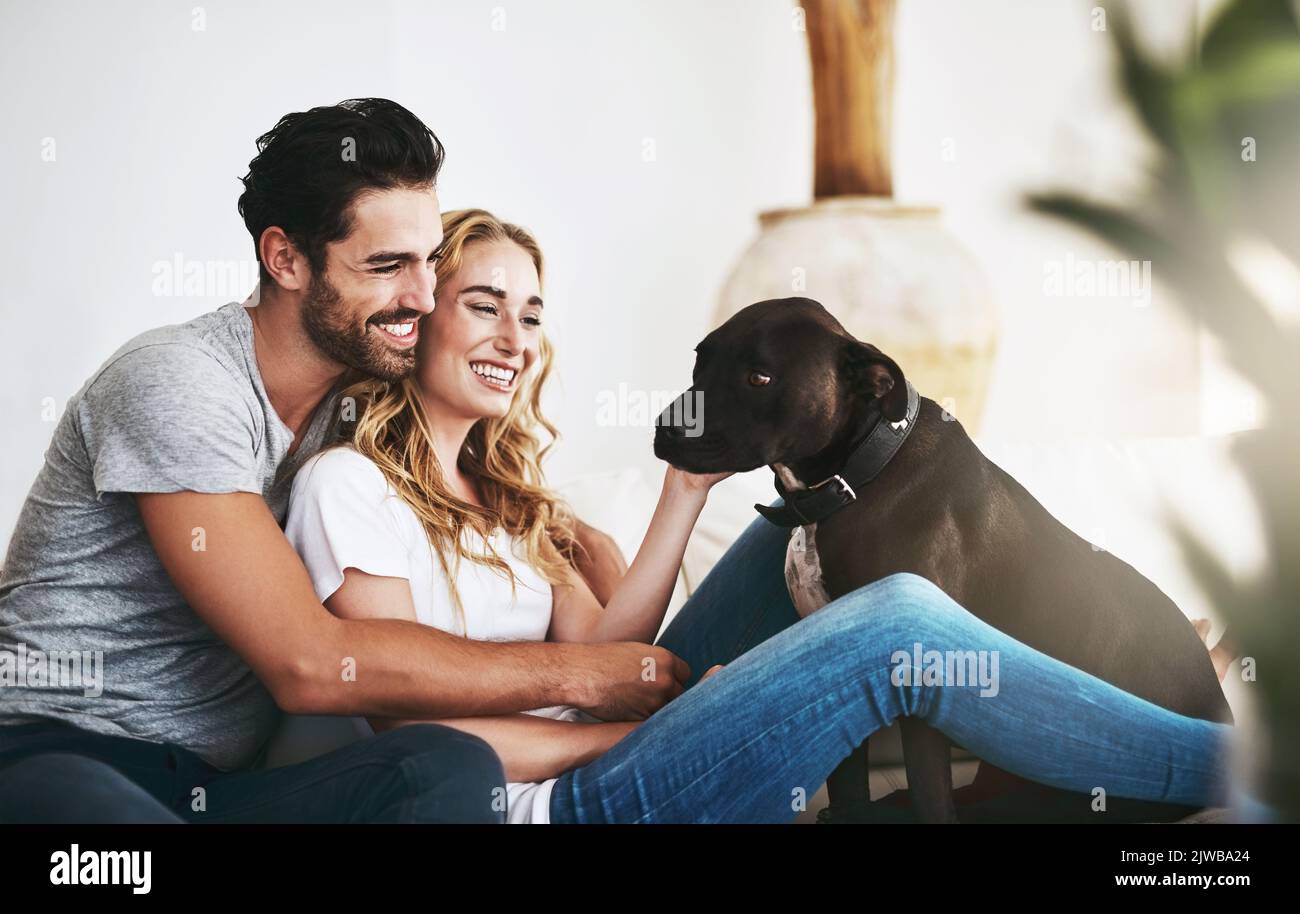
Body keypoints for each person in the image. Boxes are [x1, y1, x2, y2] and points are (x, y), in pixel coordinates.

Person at [280, 207, 1246, 824]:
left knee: (798, 529)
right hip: (556, 803)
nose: (513, 338)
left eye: (530, 315)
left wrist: (684, 486)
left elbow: (614, 653)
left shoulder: (516, 502)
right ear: (420, 318)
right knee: (899, 617)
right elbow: (413, 729)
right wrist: (620, 740)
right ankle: (1221, 762)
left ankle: (1137, 687)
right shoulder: (346, 486)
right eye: (483, 305)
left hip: (622, 745)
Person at [0, 99, 677, 823]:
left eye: (427, 264)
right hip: (59, 755)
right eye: (387, 266)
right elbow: (311, 665)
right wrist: (584, 679)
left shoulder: (353, 408)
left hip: (220, 791)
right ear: (285, 258)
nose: (421, 298)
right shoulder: (180, 383)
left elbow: (455, 466)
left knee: (444, 766)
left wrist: (570, 526)